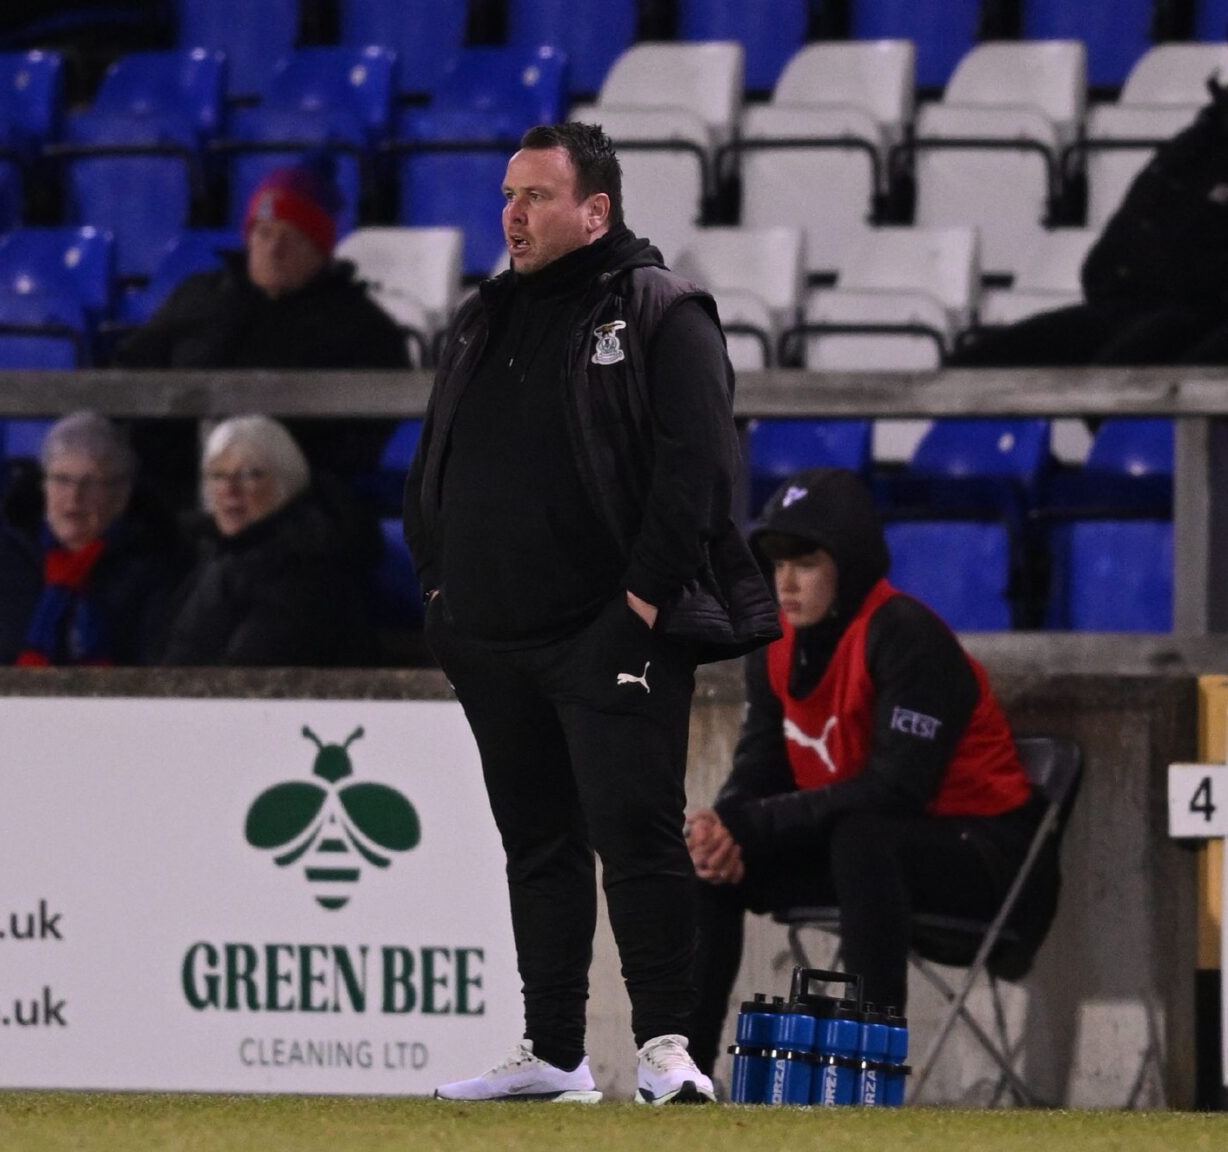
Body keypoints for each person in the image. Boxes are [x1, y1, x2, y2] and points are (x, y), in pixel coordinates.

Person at [405, 121, 779, 1104]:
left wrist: (641, 605)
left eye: (534, 197)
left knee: (637, 832)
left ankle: (665, 1047)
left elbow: (696, 467)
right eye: (507, 196)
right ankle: (554, 1052)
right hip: (490, 635)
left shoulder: (662, 309)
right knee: (536, 842)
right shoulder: (484, 317)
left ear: (594, 211)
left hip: (608, 630)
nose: (512, 215)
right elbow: (436, 455)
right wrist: (440, 593)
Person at [683, 468, 1059, 1080]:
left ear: (849, 563)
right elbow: (762, 765)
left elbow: (898, 789)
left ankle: (862, 1075)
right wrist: (727, 826)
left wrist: (755, 822)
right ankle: (685, 1079)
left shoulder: (907, 635)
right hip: (866, 854)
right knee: (710, 864)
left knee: (863, 834)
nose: (785, 582)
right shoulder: (775, 645)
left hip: (989, 856)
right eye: (776, 565)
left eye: (804, 562)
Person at [113, 153, 411, 507]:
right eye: (264, 233)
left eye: (292, 237)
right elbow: (131, 373)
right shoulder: (200, 297)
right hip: (173, 499)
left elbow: (368, 437)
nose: (273, 249)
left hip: (295, 506)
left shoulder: (361, 326)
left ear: (320, 250)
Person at [952, 77, 1228, 368]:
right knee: (971, 367)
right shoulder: (1202, 139)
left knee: (1122, 366)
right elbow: (1134, 231)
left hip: (1194, 314)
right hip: (1126, 303)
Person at [159, 414, 379, 667]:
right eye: (218, 475)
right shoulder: (211, 557)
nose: (229, 489)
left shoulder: (308, 568)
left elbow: (249, 674)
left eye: (250, 475)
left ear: (286, 482)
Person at [0, 411, 180, 665]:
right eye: (61, 480)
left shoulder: (156, 572)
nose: (74, 498)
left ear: (121, 495)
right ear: (44, 486)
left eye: (91, 483)